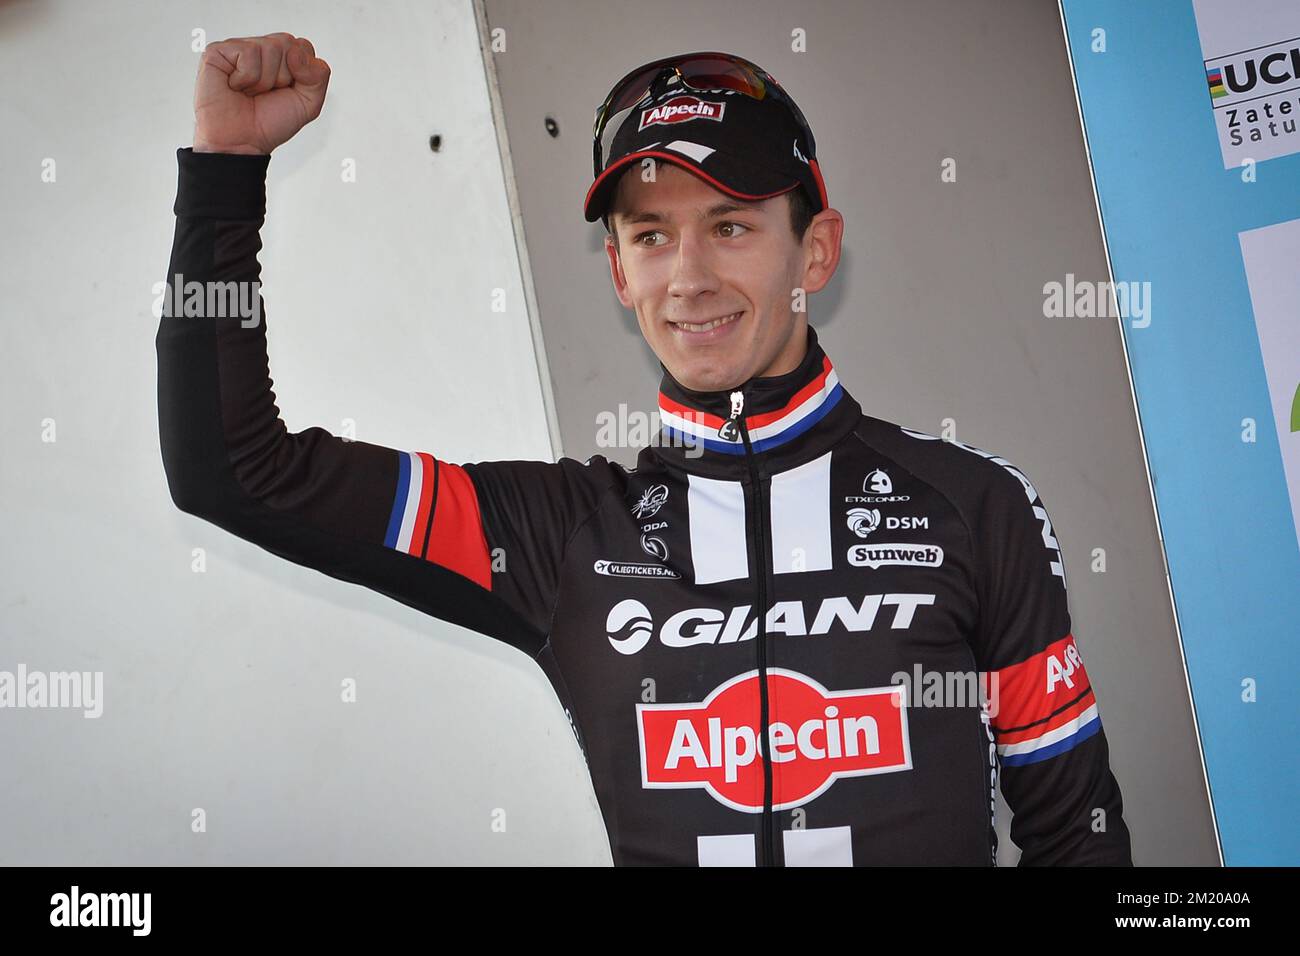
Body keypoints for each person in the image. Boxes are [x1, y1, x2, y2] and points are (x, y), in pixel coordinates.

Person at [157, 36, 1133, 866]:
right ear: (618, 269)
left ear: (816, 249)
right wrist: (224, 177)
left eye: (732, 226)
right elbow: (235, 469)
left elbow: (1076, 835)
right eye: (653, 235)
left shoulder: (972, 504)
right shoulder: (558, 535)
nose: (691, 276)